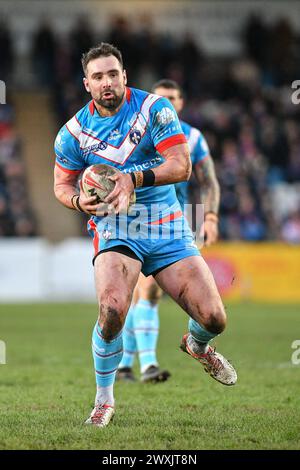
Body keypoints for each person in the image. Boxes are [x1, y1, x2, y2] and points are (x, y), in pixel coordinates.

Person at [53, 43, 237, 429]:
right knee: (113, 309)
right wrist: (78, 201)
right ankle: (104, 400)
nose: (107, 83)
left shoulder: (154, 109)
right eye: (98, 77)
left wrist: (131, 178)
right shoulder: (72, 133)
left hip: (167, 222)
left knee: (215, 317)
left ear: (125, 76)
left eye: (113, 74)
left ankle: (197, 345)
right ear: (87, 84)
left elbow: (182, 166)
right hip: (116, 225)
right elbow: (61, 184)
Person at [117, 79, 220, 383]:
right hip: (136, 215)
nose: (168, 104)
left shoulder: (193, 136)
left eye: (173, 98)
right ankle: (142, 365)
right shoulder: (133, 130)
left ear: (181, 102)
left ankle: (130, 364)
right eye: (161, 98)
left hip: (178, 216)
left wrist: (210, 216)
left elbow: (209, 180)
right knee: (140, 292)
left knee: (147, 292)